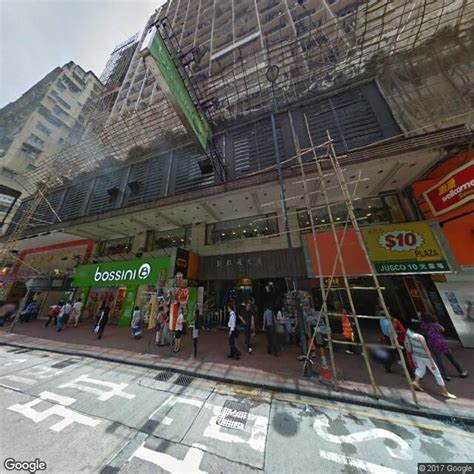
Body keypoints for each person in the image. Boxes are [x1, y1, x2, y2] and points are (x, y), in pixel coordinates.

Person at [405, 319, 456, 399]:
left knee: (421, 369)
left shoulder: (408, 332)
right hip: (425, 356)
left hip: (416, 354)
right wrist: (432, 363)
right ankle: (444, 392)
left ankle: (416, 381)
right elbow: (426, 350)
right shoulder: (420, 337)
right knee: (437, 373)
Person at [420, 313, 468, 381]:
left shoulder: (423, 325)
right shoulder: (435, 324)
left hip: (432, 343)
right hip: (441, 342)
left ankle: (445, 375)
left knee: (439, 359)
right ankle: (461, 371)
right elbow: (442, 329)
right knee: (451, 358)